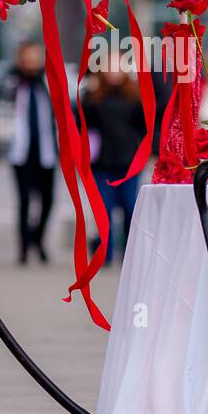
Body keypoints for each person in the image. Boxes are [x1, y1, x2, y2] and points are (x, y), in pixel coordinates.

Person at [0, 42, 57, 265]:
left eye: (35, 57)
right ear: (20, 59)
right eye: (27, 57)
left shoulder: (49, 83)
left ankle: (37, 239)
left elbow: (67, 114)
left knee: (48, 201)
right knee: (24, 201)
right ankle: (23, 248)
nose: (31, 62)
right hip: (19, 151)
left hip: (47, 151)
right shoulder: (8, 82)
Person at [81, 63, 146, 267]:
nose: (114, 71)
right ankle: (105, 254)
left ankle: (128, 252)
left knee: (129, 207)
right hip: (101, 162)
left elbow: (145, 125)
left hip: (128, 162)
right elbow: (81, 122)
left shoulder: (134, 97)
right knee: (103, 210)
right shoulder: (93, 97)